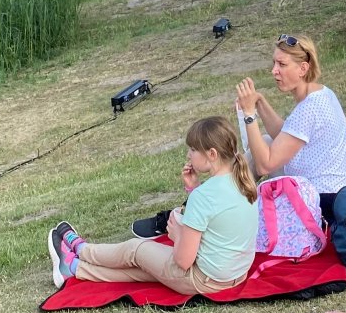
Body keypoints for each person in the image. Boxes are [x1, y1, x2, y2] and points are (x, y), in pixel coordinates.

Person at [47, 116, 256, 296]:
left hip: (202, 279)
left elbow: (183, 261)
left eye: (193, 149)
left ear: (212, 154)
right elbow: (217, 219)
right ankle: (74, 268)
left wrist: (177, 235)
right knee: (142, 269)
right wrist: (193, 189)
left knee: (135, 250)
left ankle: (82, 250)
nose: (188, 155)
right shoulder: (243, 181)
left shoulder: (204, 196)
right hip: (233, 275)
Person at [235, 34, 346, 217]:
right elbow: (285, 135)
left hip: (325, 202)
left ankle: (221, 203)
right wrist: (260, 103)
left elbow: (265, 166)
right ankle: (222, 197)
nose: (274, 71)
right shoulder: (323, 92)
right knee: (266, 141)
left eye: (282, 64)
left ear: (303, 68)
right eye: (274, 63)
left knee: (261, 153)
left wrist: (249, 115)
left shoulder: (307, 110)